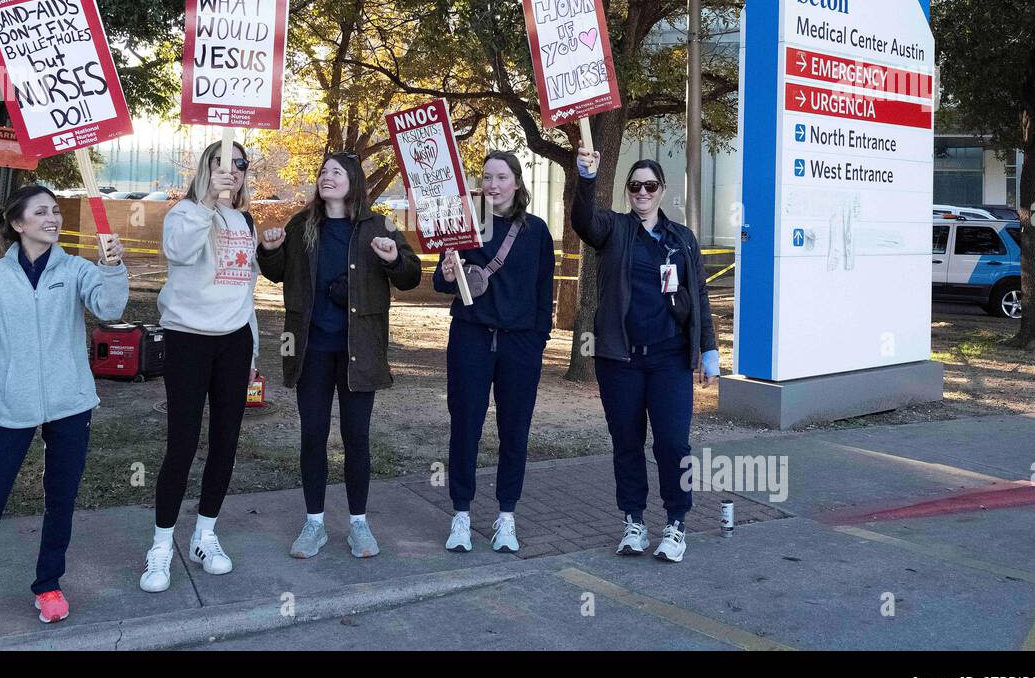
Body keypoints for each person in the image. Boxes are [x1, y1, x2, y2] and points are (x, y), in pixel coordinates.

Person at [0, 185, 128, 642]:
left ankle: (49, 585)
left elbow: (109, 308)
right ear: (18, 224)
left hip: (70, 404)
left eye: (56, 211)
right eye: (42, 212)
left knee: (61, 499)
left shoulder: (75, 268)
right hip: (8, 408)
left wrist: (112, 266)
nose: (53, 218)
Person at [257, 152, 421, 559]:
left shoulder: (378, 225)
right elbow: (277, 273)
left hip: (358, 352)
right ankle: (314, 524)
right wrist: (270, 250)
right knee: (312, 437)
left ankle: (359, 526)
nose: (326, 177)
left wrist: (393, 258)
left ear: (353, 181)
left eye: (336, 172)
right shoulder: (301, 225)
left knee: (356, 439)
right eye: (323, 172)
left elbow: (411, 276)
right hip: (310, 351)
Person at [570, 147, 719, 563]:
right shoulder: (614, 230)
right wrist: (585, 177)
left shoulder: (682, 239)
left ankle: (676, 523)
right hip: (621, 361)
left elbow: (700, 296)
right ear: (627, 192)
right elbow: (582, 220)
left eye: (649, 186)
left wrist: (709, 350)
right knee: (627, 443)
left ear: (661, 191)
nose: (642, 192)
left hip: (669, 360)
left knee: (672, 444)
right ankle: (634, 521)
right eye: (634, 186)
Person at [140, 140, 259, 593]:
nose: (231, 172)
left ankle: (205, 533)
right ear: (205, 168)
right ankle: (162, 543)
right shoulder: (184, 212)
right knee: (183, 442)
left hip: (233, 343)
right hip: (188, 339)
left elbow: (244, 291)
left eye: (239, 165)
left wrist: (251, 354)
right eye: (221, 163)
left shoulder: (245, 220)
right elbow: (180, 253)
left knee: (226, 441)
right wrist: (208, 200)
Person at [434, 152, 555, 553]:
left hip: (520, 343)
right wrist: (448, 274)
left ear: (517, 183)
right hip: (471, 336)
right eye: (486, 177)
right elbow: (441, 280)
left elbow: (543, 292)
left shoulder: (536, 231)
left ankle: (506, 516)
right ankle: (461, 514)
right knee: (465, 423)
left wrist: (538, 339)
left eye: (501, 177)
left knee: (515, 429)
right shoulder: (464, 226)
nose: (493, 184)